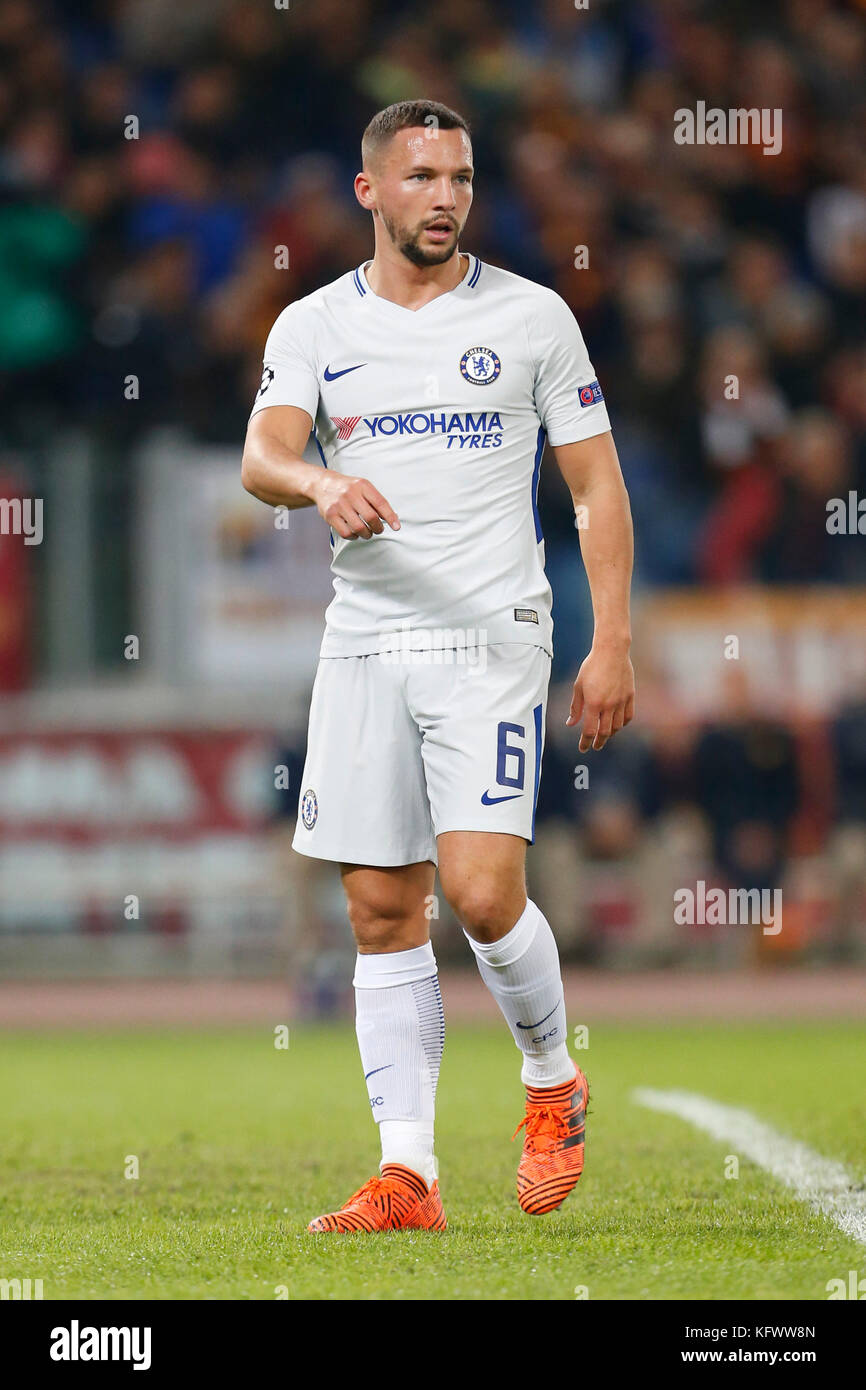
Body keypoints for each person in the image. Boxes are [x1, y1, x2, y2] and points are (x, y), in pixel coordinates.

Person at [241, 100, 635, 1233]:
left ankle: (550, 1078)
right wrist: (321, 483)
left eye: (459, 176)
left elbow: (595, 488)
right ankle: (407, 1173)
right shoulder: (315, 324)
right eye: (419, 177)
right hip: (365, 639)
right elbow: (264, 454)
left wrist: (609, 639)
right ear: (370, 192)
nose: (445, 196)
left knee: (477, 890)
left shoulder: (531, 317)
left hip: (490, 637)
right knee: (376, 907)